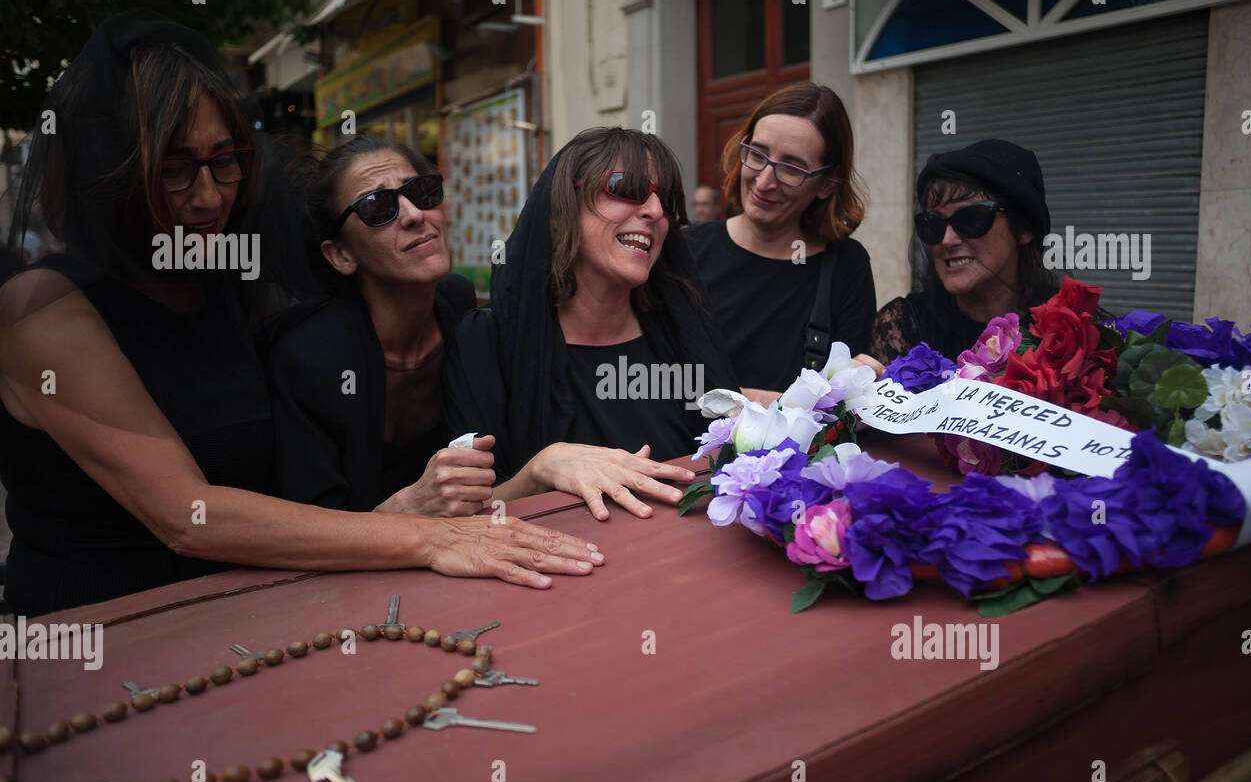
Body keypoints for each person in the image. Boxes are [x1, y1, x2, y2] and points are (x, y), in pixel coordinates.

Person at [0, 13, 601, 615]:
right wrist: (428, 534)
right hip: (102, 633)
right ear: (115, 174)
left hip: (251, 613)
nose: (209, 196)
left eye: (224, 161)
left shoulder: (239, 289)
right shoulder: (41, 312)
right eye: (175, 170)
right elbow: (187, 516)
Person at [442, 127, 739, 521]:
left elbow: (734, 471)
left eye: (666, 199)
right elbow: (461, 518)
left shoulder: (682, 337)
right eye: (626, 187)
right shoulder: (486, 344)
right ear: (560, 210)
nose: (654, 210)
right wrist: (541, 469)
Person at [267, 135, 490, 516]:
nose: (414, 214)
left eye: (421, 191)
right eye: (377, 206)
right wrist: (409, 507)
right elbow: (309, 531)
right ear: (340, 254)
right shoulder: (308, 358)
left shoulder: (457, 305)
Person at [684, 83, 879, 402]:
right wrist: (791, 402)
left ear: (827, 184)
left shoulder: (847, 266)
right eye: (757, 154)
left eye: (791, 168)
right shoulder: (685, 250)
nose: (763, 181)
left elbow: (845, 408)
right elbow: (656, 382)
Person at [869, 138, 1058, 363]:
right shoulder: (902, 328)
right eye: (933, 223)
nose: (947, 240)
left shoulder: (1075, 329)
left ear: (1024, 227)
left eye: (971, 219)